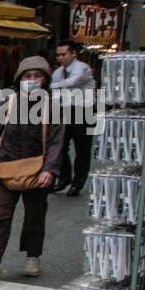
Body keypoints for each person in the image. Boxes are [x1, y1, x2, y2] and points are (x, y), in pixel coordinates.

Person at [0, 56, 65, 281]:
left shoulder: (52, 106)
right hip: (4, 168)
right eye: (28, 76)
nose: (32, 80)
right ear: (19, 79)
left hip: (38, 171)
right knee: (1, 215)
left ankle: (33, 257)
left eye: (37, 76)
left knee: (35, 216)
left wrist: (50, 169)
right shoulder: (7, 103)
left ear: (45, 80)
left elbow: (56, 141)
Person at [50, 39, 95, 195]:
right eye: (58, 55)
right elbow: (56, 94)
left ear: (73, 54)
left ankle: (78, 183)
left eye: (63, 54)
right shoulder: (57, 72)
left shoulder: (82, 68)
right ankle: (64, 178)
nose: (60, 58)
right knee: (59, 146)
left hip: (84, 111)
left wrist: (48, 86)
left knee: (82, 149)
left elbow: (72, 81)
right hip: (64, 111)